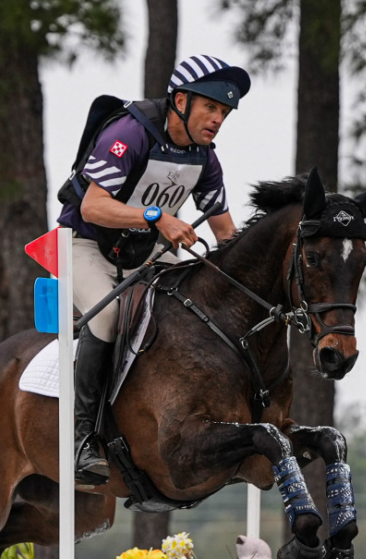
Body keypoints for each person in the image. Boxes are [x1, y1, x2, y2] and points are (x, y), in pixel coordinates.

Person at [56, 55, 250, 484]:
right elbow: (93, 206)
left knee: (188, 311)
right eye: (211, 108)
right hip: (86, 244)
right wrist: (157, 217)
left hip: (146, 253)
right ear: (180, 100)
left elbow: (226, 234)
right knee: (107, 318)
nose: (218, 120)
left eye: (223, 113)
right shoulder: (129, 133)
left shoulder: (206, 159)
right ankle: (82, 437)